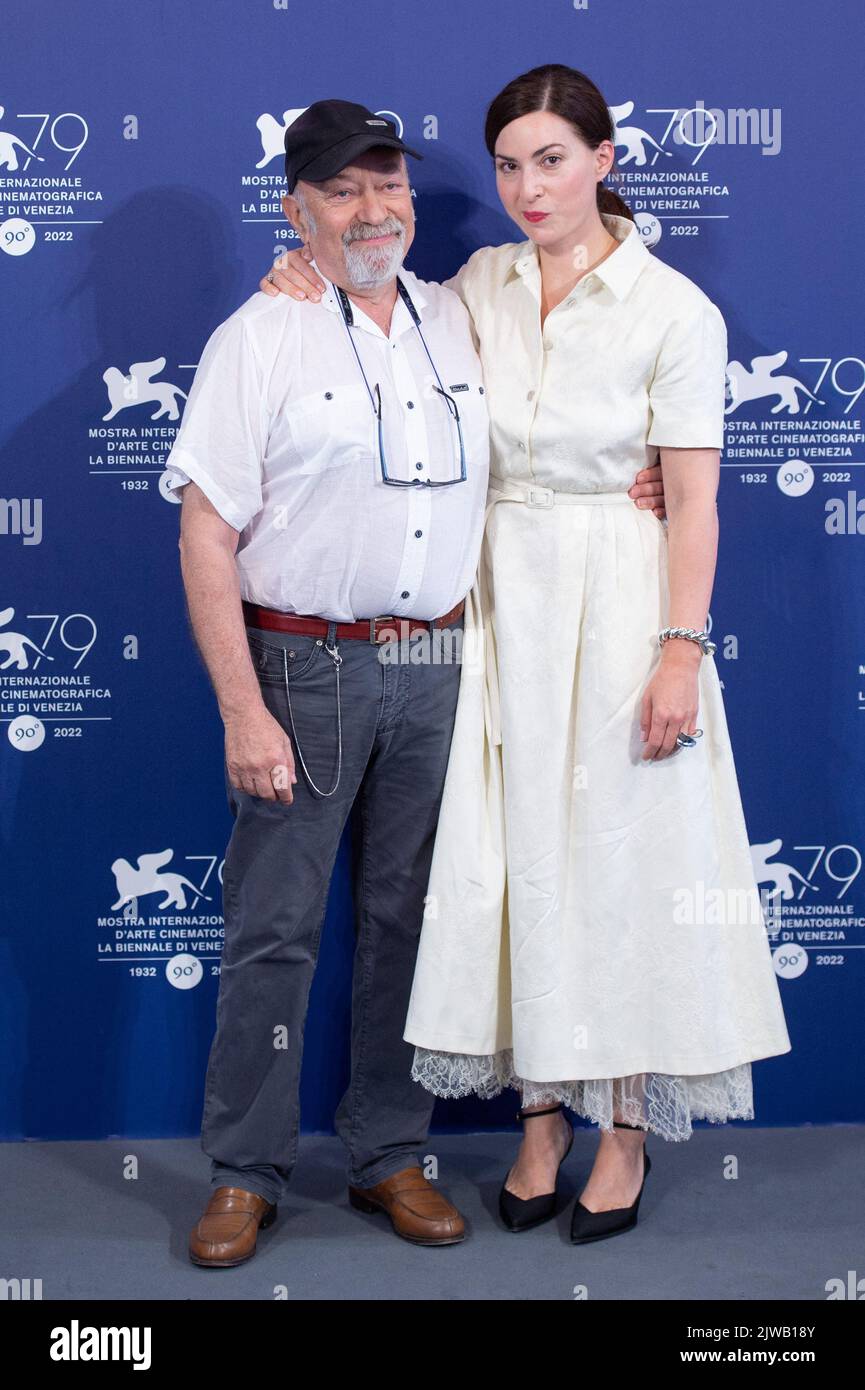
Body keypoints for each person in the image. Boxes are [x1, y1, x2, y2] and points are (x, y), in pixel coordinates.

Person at [259, 66, 792, 1246]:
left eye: (551, 158)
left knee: (626, 867)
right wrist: (300, 269)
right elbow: (373, 312)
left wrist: (678, 653)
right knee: (518, 864)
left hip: (624, 606)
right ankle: (540, 1117)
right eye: (507, 164)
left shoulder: (675, 312)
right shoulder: (473, 289)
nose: (525, 186)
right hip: (496, 609)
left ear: (607, 160)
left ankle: (624, 1133)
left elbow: (694, 505)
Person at [169, 94, 667, 1265]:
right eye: (338, 190)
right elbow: (204, 534)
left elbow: (578, 372)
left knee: (409, 926)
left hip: (445, 664)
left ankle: (390, 1154)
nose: (371, 207)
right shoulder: (261, 333)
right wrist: (243, 707)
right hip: (301, 664)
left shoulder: (463, 313)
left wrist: (640, 480)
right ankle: (245, 1172)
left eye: (385, 183)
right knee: (274, 934)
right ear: (295, 211)